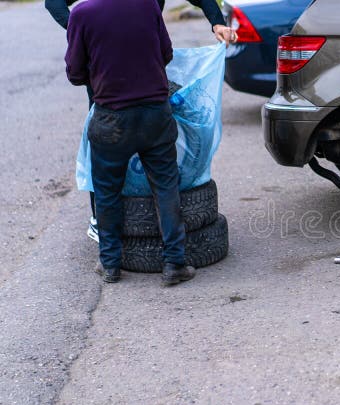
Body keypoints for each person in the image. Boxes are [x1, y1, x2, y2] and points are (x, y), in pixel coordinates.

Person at [46, 0, 236, 243]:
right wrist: (83, 30)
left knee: (137, 158)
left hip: (141, 79)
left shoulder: (137, 9)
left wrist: (217, 21)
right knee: (111, 162)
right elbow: (54, 2)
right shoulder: (90, 14)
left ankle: (118, 254)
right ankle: (103, 223)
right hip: (113, 88)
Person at [65, 0, 196, 286]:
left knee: (107, 192)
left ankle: (111, 265)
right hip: (155, 114)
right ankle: (174, 263)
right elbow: (166, 53)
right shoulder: (147, 4)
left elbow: (75, 73)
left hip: (111, 118)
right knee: (165, 185)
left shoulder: (82, 14)